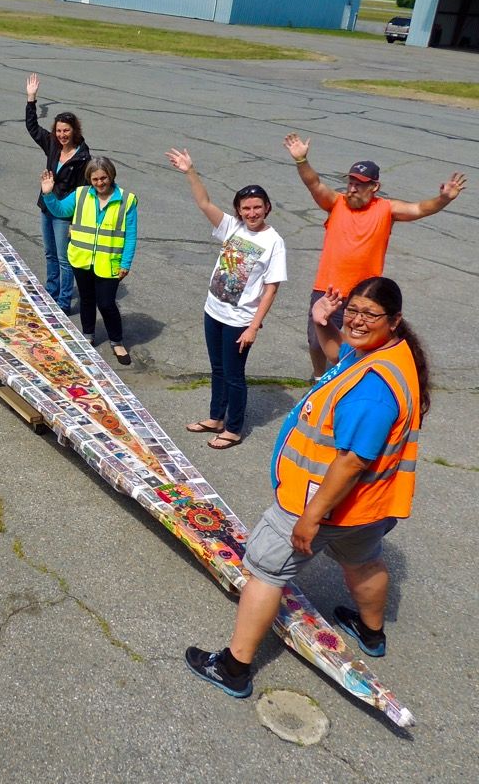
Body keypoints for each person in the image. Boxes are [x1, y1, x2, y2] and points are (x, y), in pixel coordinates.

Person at [186, 276, 430, 699]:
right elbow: (338, 364)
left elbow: (352, 461)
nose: (355, 320)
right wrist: (324, 325)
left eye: (368, 314)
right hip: (368, 508)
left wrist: (310, 518)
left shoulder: (373, 391)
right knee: (364, 561)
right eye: (351, 309)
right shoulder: (389, 355)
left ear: (394, 320)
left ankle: (234, 668)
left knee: (264, 573)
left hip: (320, 503)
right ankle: (371, 634)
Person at [283, 134, 466, 380]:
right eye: (351, 182)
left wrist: (443, 199)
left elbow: (420, 208)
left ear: (374, 187)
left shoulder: (386, 209)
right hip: (328, 289)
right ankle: (318, 377)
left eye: (360, 183)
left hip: (365, 295)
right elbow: (314, 184)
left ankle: (349, 381)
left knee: (356, 344)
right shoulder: (336, 203)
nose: (352, 188)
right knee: (316, 342)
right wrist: (302, 160)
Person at [166, 148, 286, 449]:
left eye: (257, 207)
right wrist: (189, 171)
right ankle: (216, 418)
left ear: (267, 207)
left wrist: (253, 327)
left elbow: (271, 288)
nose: (252, 213)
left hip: (240, 321)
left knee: (234, 375)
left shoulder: (274, 242)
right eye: (246, 208)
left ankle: (233, 428)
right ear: (239, 211)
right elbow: (204, 203)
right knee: (217, 369)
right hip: (214, 311)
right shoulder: (232, 227)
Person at [40, 158, 137, 365]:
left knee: (106, 303)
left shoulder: (126, 200)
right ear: (89, 179)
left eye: (104, 178)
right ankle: (88, 335)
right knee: (86, 299)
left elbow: (130, 235)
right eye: (95, 179)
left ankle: (116, 341)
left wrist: (126, 263)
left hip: (109, 261)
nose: (100, 183)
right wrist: (48, 194)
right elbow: (60, 211)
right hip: (81, 258)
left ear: (111, 176)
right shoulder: (81, 194)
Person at [25, 73, 90, 314]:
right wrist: (31, 99)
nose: (62, 135)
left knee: (64, 259)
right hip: (47, 207)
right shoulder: (52, 144)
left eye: (66, 131)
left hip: (64, 214)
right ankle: (51, 292)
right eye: (59, 131)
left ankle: (63, 301)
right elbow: (32, 128)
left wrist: (76, 221)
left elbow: (85, 192)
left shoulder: (83, 157)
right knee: (50, 254)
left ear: (74, 131)